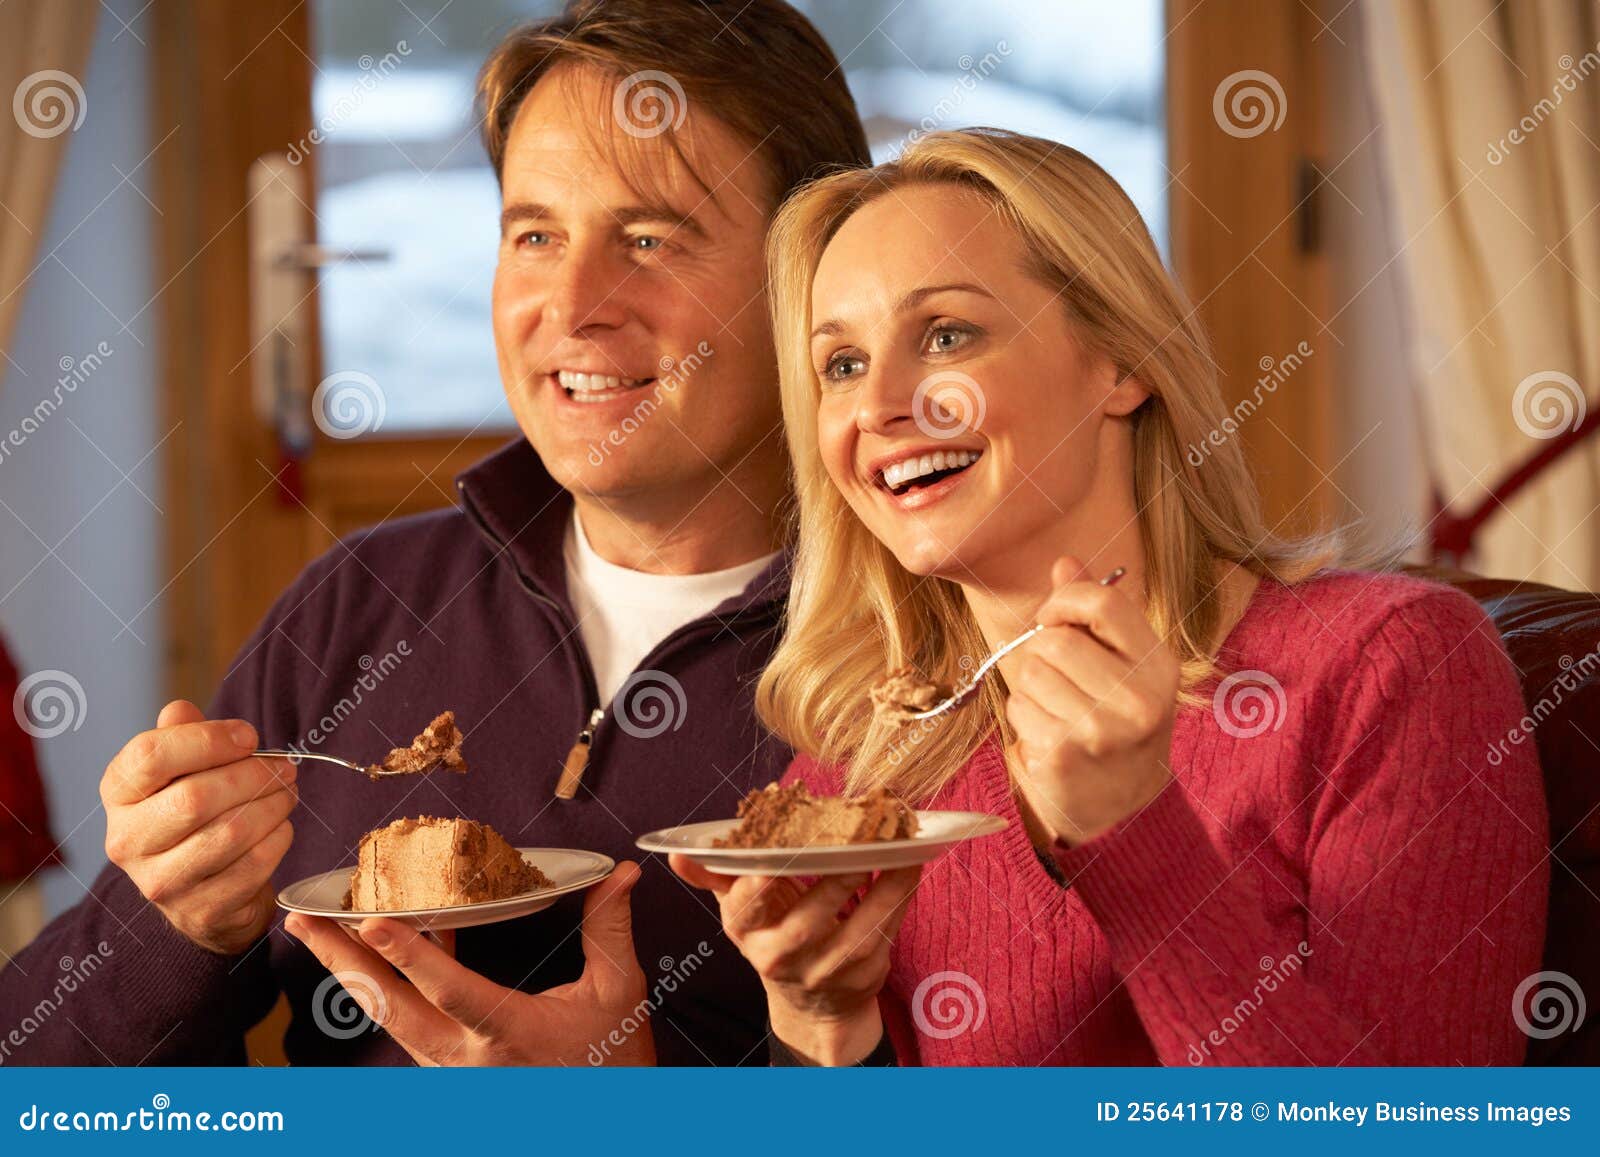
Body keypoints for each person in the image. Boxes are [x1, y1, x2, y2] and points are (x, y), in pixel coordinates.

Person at [2, 0, 869, 1066]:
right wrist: (170, 926)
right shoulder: (366, 603)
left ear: (808, 278)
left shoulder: (924, 660)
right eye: (536, 233)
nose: (573, 302)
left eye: (649, 237)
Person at [673, 128, 1549, 1066]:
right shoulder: (861, 774)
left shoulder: (1394, 670)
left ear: (1123, 361)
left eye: (945, 335)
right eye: (839, 364)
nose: (879, 404)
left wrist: (1134, 836)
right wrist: (819, 1022)